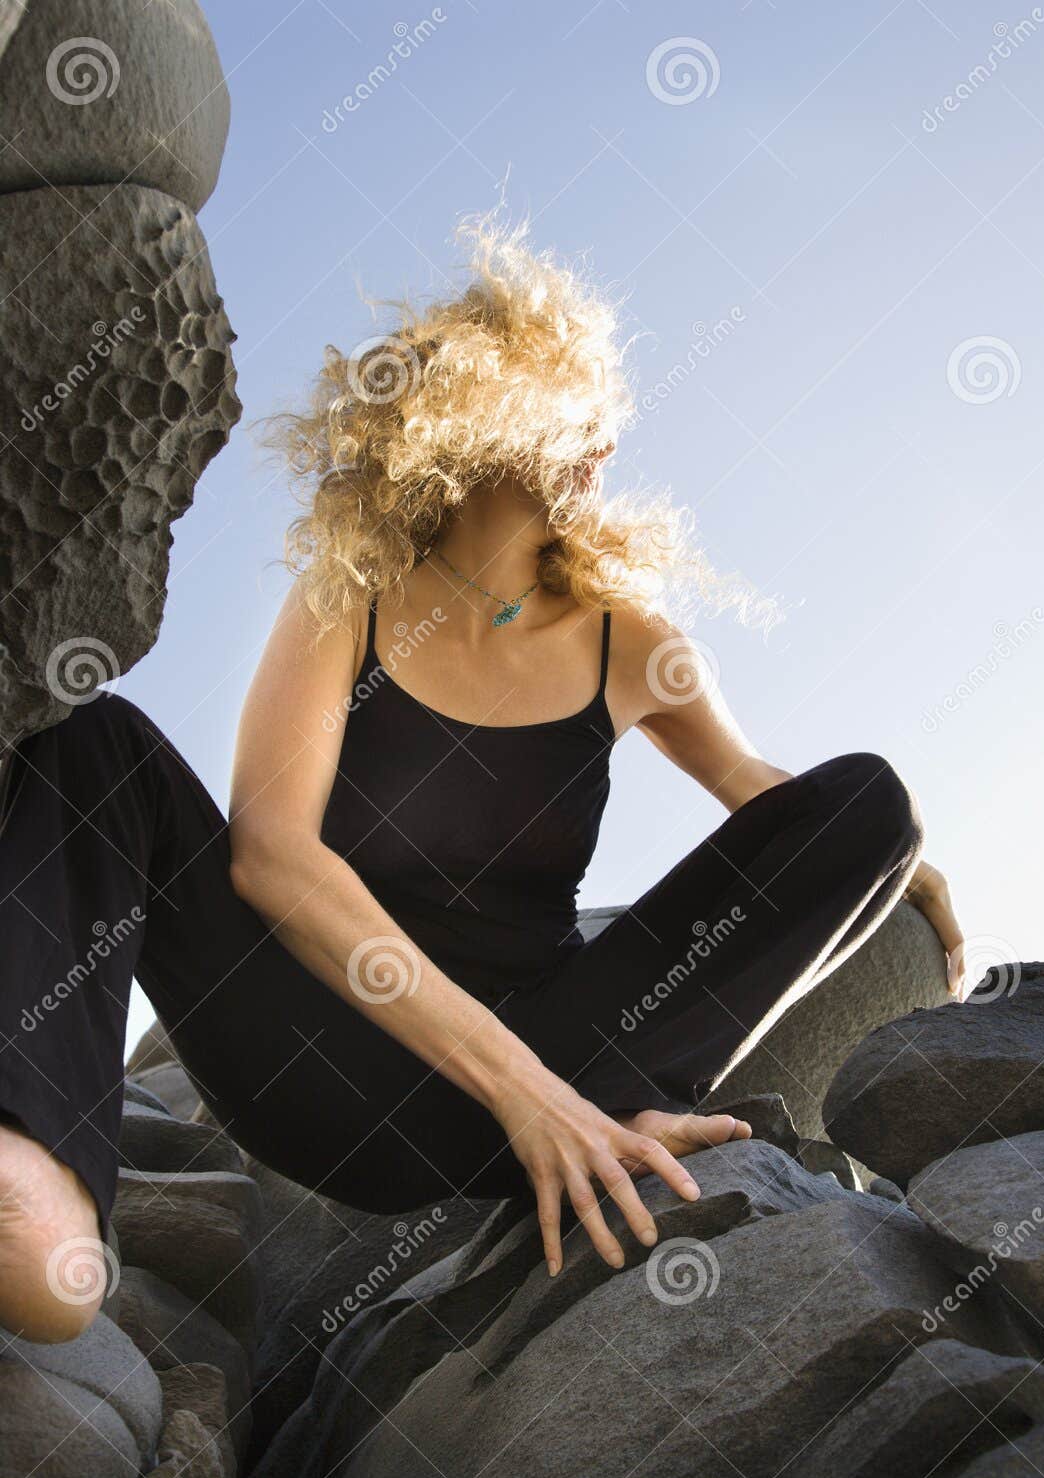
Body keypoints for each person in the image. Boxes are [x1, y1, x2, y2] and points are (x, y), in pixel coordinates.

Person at [0, 221, 964, 1342]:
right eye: (587, 414)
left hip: (554, 1052)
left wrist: (906, 857)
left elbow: (765, 793)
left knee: (869, 796)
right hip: (317, 1061)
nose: (603, 452)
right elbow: (272, 855)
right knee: (89, 736)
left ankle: (615, 1099)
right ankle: (39, 1184)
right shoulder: (349, 592)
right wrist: (520, 1088)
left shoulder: (626, 638)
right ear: (491, 398)